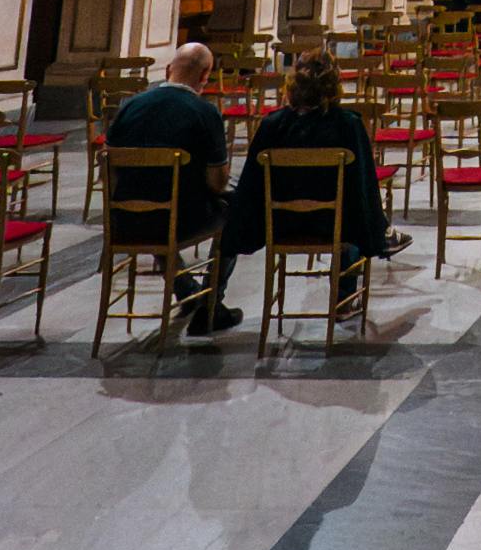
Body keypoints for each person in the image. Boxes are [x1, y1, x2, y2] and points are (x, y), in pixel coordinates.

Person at [213, 48, 402, 316]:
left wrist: (240, 229)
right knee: (351, 203)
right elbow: (364, 187)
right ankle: (345, 295)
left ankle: (211, 301)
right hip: (333, 225)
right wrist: (377, 226)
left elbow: (251, 186)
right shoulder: (348, 125)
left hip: (279, 224)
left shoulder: (272, 125)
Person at [106, 42, 243, 335]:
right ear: (206, 74)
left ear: (169, 70)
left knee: (153, 205)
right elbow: (217, 183)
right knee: (239, 212)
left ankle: (185, 289)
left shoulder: (129, 106)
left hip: (125, 221)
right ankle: (210, 304)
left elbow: (110, 173)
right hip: (182, 219)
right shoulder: (204, 112)